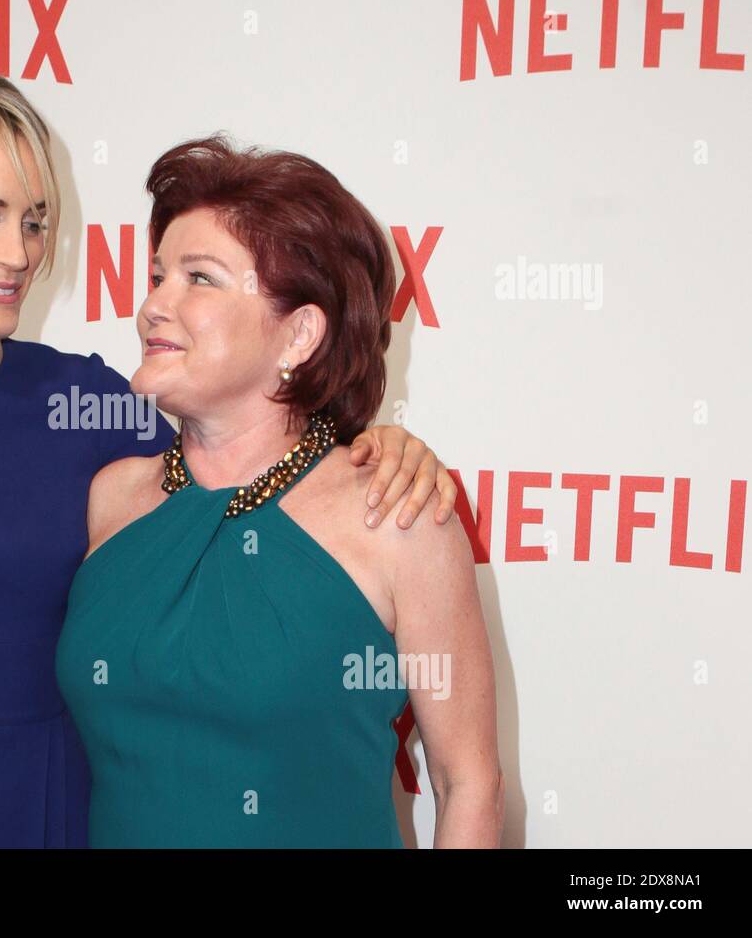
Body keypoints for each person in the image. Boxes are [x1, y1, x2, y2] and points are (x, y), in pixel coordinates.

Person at [0, 62, 455, 848]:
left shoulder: (90, 406)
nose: (17, 254)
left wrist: (377, 445)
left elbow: (254, 456)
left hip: (48, 815)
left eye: (34, 221)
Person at [55, 136, 503, 847]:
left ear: (299, 332)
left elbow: (467, 785)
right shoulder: (109, 498)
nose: (151, 307)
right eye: (157, 276)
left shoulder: (398, 515)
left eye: (199, 278)